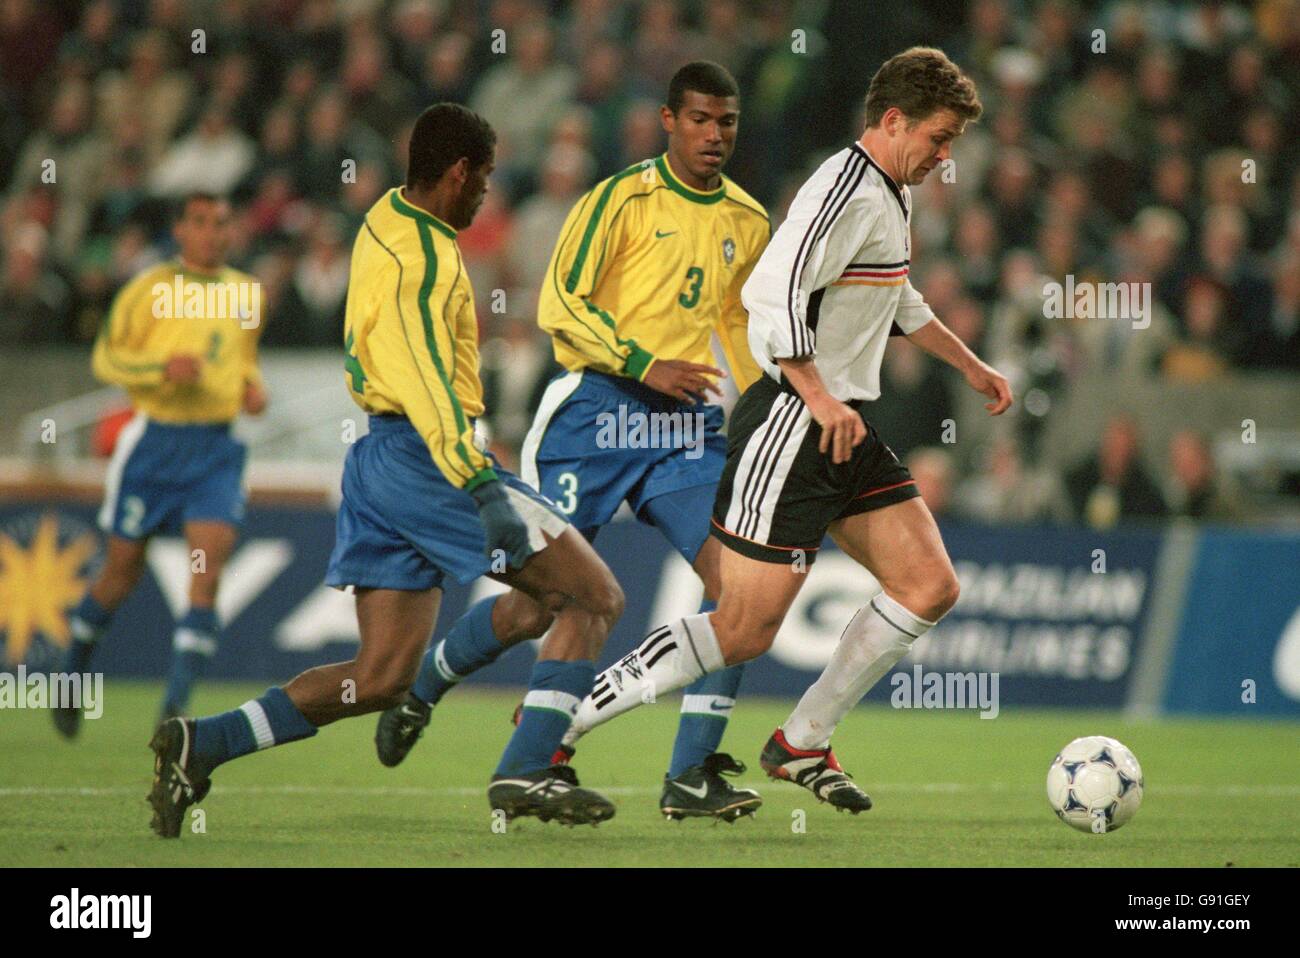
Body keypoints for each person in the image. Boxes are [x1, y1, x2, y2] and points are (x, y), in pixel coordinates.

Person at [539, 47, 1011, 814]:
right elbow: (774, 292)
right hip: (794, 424)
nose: (944, 155)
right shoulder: (843, 186)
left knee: (929, 585)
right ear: (893, 122)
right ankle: (559, 731)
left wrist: (970, 365)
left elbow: (896, 295)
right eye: (939, 137)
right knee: (743, 628)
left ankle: (802, 740)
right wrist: (819, 396)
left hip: (840, 423)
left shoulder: (892, 191)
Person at [145, 104, 625, 838]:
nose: (486, 195)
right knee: (593, 597)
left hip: (375, 461)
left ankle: (205, 740)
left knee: (378, 677)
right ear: (458, 172)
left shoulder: (386, 217)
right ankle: (527, 767)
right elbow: (431, 384)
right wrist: (482, 484)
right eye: (485, 179)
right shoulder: (424, 262)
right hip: (428, 459)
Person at [376, 62, 772, 822]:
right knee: (541, 606)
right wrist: (641, 362)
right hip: (594, 414)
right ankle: (424, 686)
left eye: (726, 122)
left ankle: (686, 776)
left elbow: (735, 326)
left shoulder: (748, 221)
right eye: (698, 119)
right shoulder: (620, 198)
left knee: (745, 591)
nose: (714, 134)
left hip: (683, 426)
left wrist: (758, 412)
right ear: (667, 121)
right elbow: (560, 303)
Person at [55, 193, 266, 736]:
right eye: (201, 222)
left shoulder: (246, 292)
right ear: (180, 230)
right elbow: (106, 357)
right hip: (154, 446)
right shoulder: (150, 289)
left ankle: (174, 710)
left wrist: (251, 389)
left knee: (206, 574)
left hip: (216, 453)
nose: (214, 233)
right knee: (120, 573)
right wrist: (159, 368)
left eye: (222, 222)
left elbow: (243, 360)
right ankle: (72, 672)